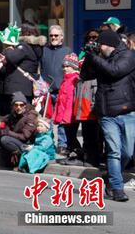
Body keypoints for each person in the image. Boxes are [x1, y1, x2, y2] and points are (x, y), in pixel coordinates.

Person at [80, 29, 135, 202]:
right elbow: (85, 76)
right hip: (106, 112)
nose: (98, 47)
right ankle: (116, 188)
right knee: (114, 152)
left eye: (100, 44)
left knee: (127, 152)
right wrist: (89, 58)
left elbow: (115, 71)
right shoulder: (99, 58)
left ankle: (112, 177)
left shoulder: (129, 56)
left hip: (127, 111)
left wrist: (95, 59)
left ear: (109, 44)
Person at [0, 23, 46, 116]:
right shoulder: (34, 47)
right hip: (24, 88)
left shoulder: (24, 46)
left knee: (17, 116)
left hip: (18, 88)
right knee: (23, 115)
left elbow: (11, 57)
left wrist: (9, 48)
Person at [0, 91, 39, 167]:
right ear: (13, 106)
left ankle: (19, 156)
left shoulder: (30, 116)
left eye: (21, 105)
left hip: (27, 144)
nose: (19, 107)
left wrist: (7, 132)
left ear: (25, 105)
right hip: (16, 140)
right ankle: (7, 158)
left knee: (5, 139)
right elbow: (5, 123)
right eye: (16, 105)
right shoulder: (13, 115)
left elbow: (25, 136)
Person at [52, 53, 80, 156]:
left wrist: (67, 116)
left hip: (71, 115)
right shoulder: (65, 80)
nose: (65, 69)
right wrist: (57, 114)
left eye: (68, 66)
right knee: (69, 137)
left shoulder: (75, 79)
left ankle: (78, 153)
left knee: (71, 137)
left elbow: (71, 100)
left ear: (74, 67)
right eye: (63, 66)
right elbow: (60, 100)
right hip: (65, 114)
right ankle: (73, 154)